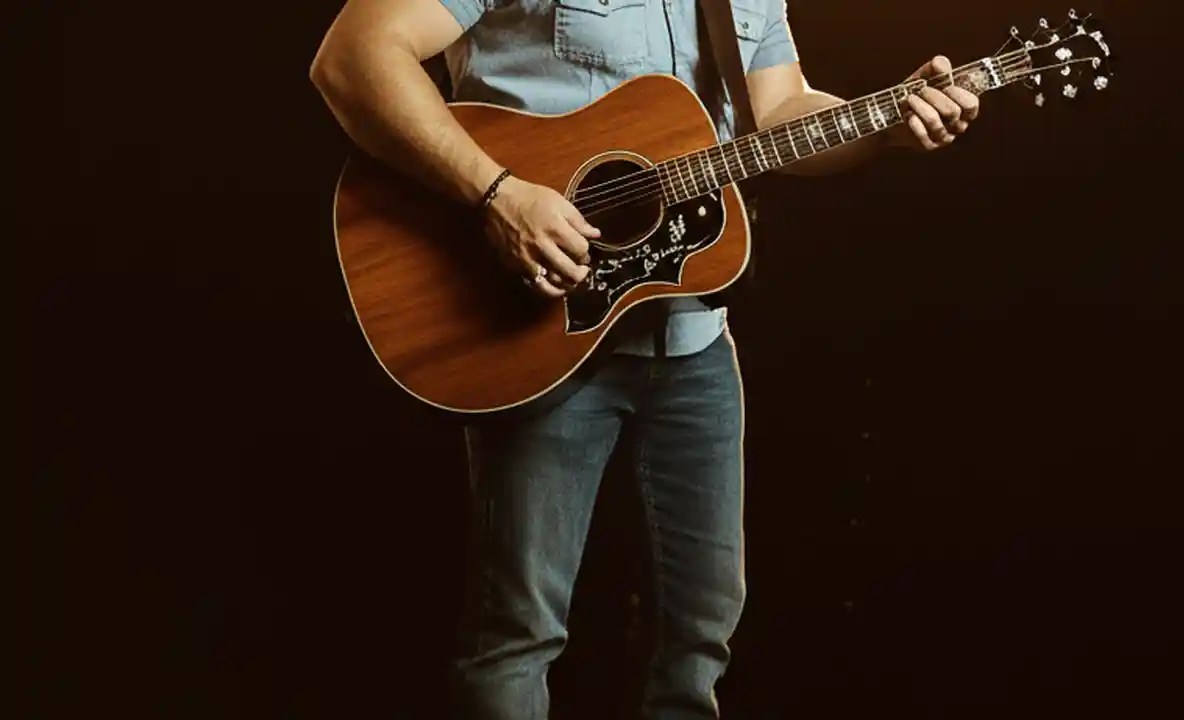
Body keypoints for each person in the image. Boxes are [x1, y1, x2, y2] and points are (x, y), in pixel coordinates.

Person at [309, 1, 979, 717]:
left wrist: (886, 125)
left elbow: (779, 107)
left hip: (692, 337)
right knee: (517, 636)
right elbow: (354, 58)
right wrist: (496, 195)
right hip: (535, 330)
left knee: (697, 637)